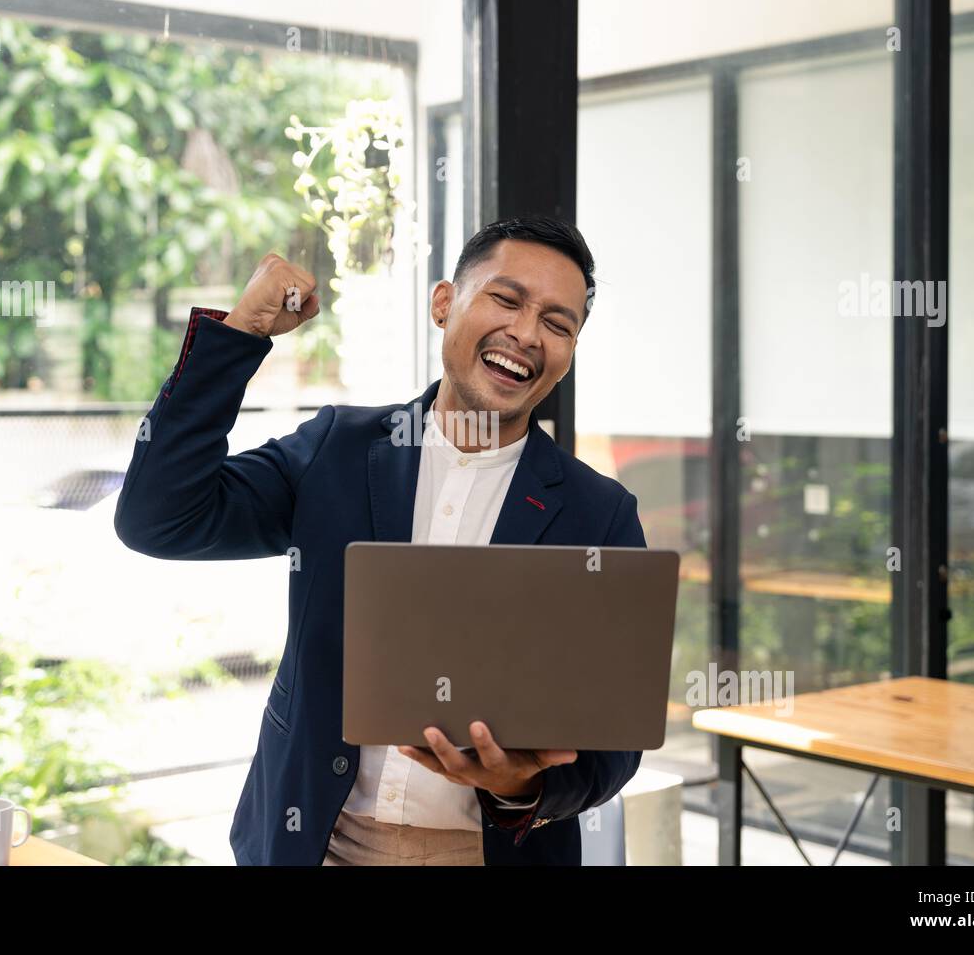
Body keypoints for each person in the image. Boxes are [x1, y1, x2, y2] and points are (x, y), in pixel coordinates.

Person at [113, 214, 646, 865]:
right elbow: (159, 518)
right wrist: (242, 333)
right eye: (506, 299)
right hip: (314, 845)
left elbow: (614, 748)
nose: (526, 333)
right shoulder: (337, 450)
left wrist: (519, 786)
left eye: (558, 324)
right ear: (444, 304)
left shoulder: (602, 516)